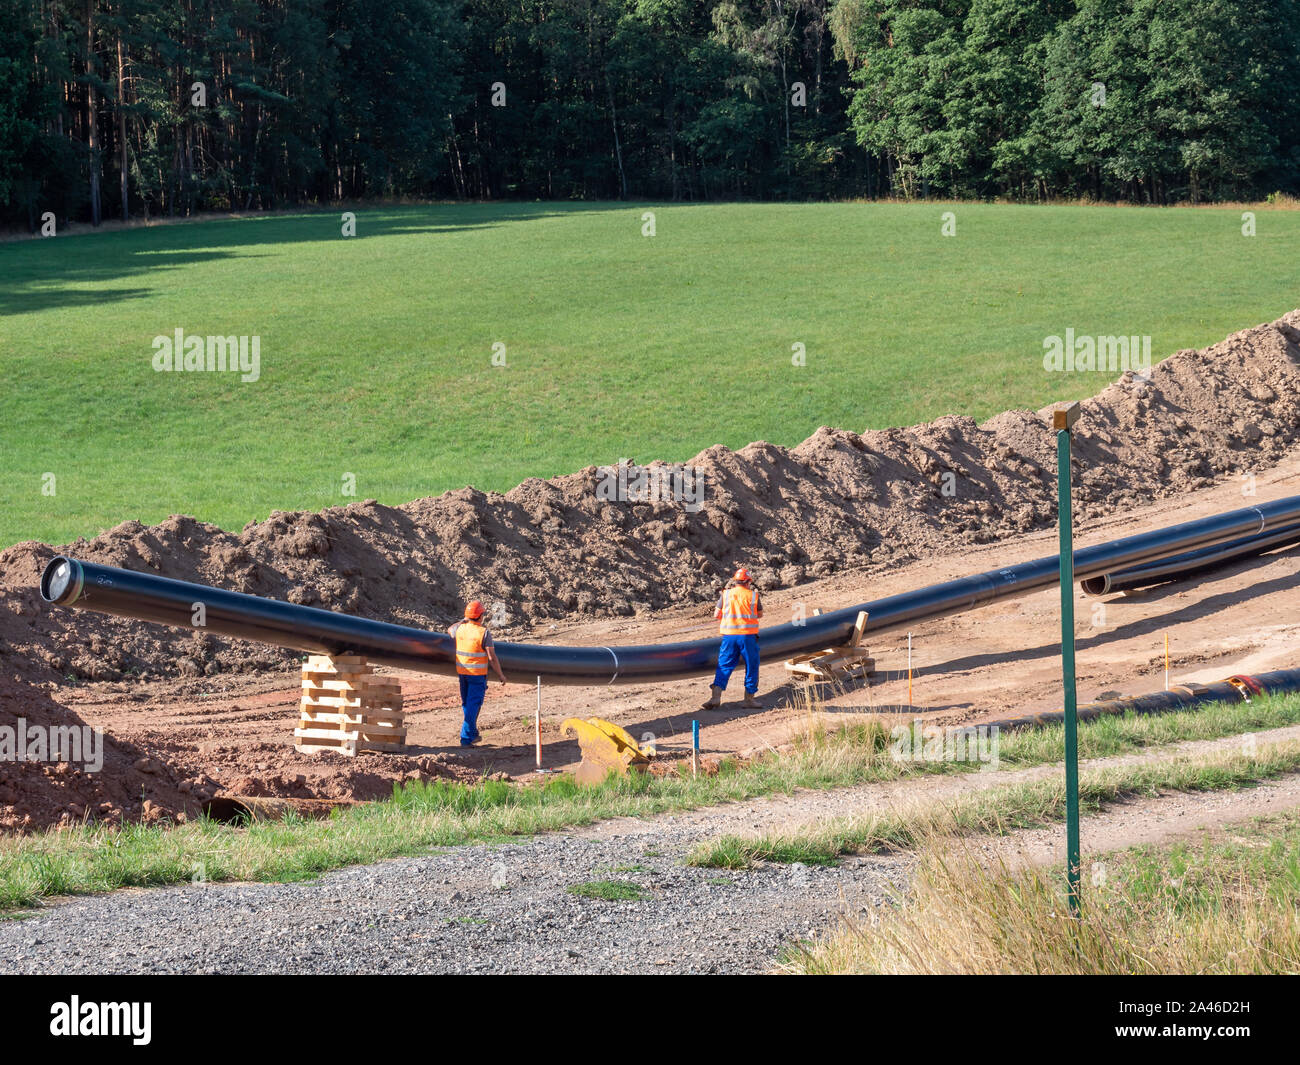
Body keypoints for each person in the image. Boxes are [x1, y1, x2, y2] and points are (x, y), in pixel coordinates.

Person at [702, 567, 762, 710]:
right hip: (747, 636)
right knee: (751, 665)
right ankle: (749, 699)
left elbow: (716, 615)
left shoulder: (726, 594)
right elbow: (759, 614)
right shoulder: (753, 596)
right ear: (748, 582)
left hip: (729, 637)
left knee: (724, 665)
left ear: (735, 582)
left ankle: (715, 698)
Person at [449, 600, 507, 746]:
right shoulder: (483, 633)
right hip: (477, 675)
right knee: (473, 705)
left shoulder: (460, 629)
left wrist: (463, 621)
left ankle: (472, 733)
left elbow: (450, 629)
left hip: (462, 673)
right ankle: (466, 738)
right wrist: (501, 675)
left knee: (467, 704)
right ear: (480, 616)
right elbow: (492, 657)